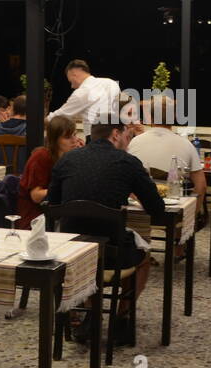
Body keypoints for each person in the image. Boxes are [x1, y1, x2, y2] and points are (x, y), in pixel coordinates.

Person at [47, 120, 164, 319]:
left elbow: (54, 203)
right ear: (116, 134)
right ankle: (122, 316)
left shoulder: (67, 160)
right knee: (143, 256)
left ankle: (89, 312)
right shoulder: (128, 162)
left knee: (89, 235)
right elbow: (157, 209)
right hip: (111, 254)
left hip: (70, 249)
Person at [128, 94, 206, 200]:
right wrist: (191, 214)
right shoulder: (187, 145)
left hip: (138, 211)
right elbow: (201, 186)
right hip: (173, 210)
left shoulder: (134, 142)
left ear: (150, 117)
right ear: (174, 116)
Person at [16, 115, 78, 229]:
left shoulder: (69, 157)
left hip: (56, 211)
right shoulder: (42, 156)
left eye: (75, 134)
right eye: (68, 137)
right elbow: (36, 196)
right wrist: (65, 188)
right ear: (55, 140)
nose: (75, 140)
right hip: (35, 217)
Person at [48, 60, 122, 134]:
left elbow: (59, 116)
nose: (72, 86)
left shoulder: (82, 92)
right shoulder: (111, 83)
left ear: (74, 74)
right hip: (116, 135)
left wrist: (39, 123)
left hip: (95, 137)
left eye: (71, 81)